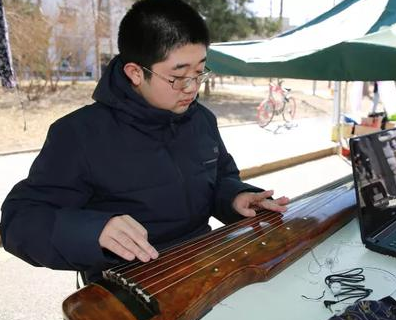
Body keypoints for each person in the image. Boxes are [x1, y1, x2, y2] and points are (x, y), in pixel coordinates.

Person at [0, 0, 289, 283]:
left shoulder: (202, 119)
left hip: (203, 263)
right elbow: (18, 220)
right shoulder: (79, 134)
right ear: (136, 73)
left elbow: (219, 178)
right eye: (178, 76)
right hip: (129, 281)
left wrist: (236, 197)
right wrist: (93, 231)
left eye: (199, 71)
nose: (192, 87)